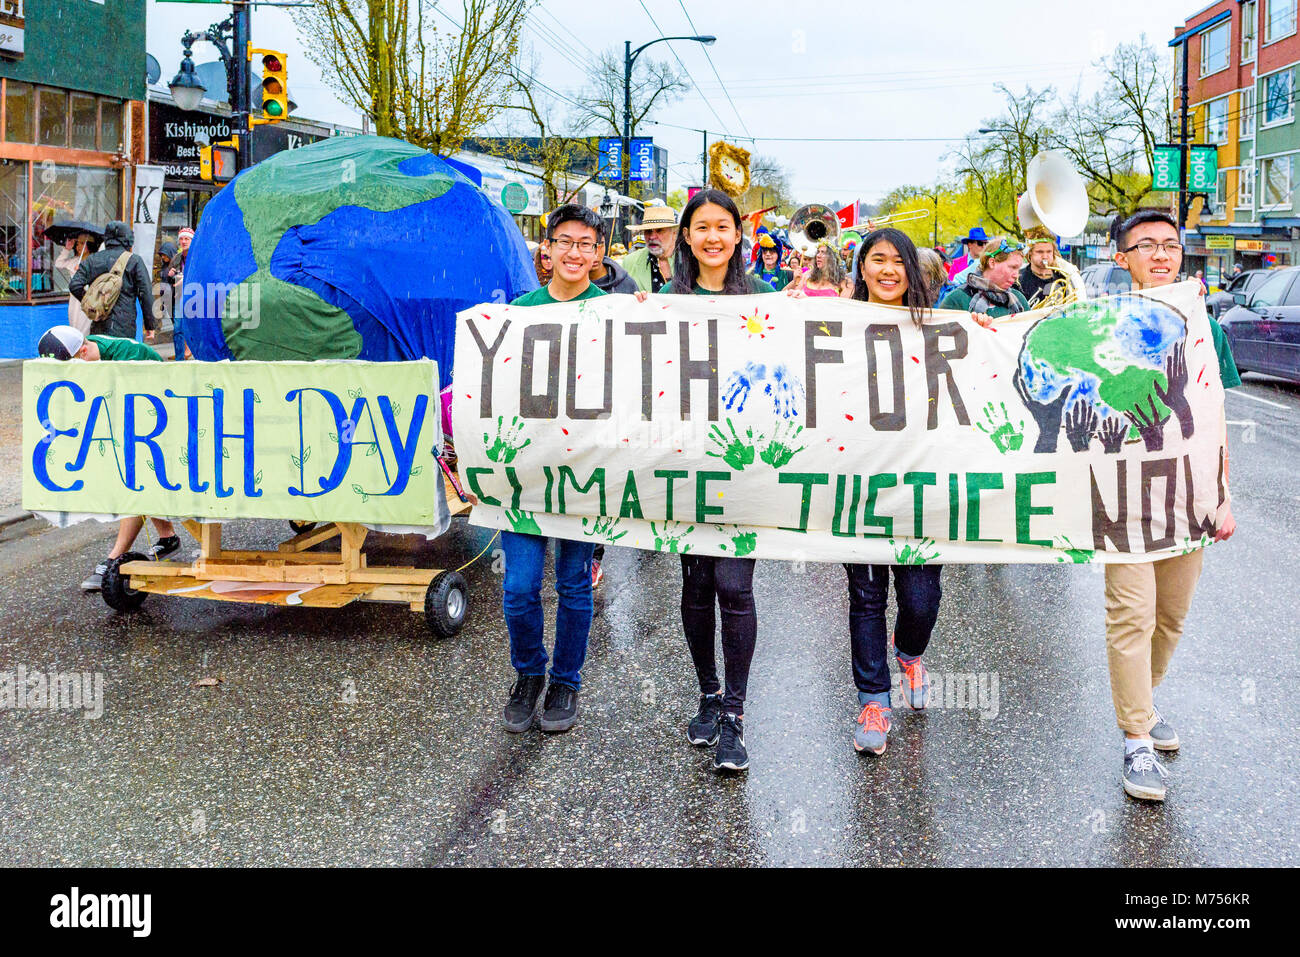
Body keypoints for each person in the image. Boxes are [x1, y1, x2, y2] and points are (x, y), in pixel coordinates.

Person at [1104, 209, 1238, 802]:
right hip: (1122, 499)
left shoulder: (1206, 326)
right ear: (1121, 257)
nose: (1162, 255)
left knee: (1171, 616)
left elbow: (1217, 422)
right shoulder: (1097, 322)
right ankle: (1135, 737)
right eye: (1147, 246)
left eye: (1171, 245)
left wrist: (1223, 497)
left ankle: (1146, 701)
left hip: (1188, 498)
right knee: (1132, 613)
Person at [645, 188, 772, 773]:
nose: (713, 237)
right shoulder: (665, 302)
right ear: (687, 238)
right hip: (684, 460)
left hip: (745, 462)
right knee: (696, 583)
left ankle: (735, 717)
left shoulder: (768, 301)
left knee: (734, 584)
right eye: (702, 227)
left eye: (723, 226)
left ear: (738, 235)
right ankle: (708, 693)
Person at [500, 204, 605, 735]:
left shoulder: (615, 314)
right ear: (547, 249)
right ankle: (528, 674)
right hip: (525, 470)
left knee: (572, 582)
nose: (574, 253)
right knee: (518, 585)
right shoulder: (518, 312)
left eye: (586, 244)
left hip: (585, 473)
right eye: (565, 241)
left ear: (599, 255)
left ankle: (565, 678)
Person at [842, 228, 941, 753]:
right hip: (858, 482)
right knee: (866, 595)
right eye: (875, 260)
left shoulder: (943, 329)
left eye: (896, 261)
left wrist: (991, 331)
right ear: (861, 269)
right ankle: (873, 700)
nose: (886, 269)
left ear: (911, 270)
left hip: (922, 486)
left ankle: (909, 651)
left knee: (921, 598)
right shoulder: (835, 325)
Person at [36, 326, 181, 592]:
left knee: (136, 482)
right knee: (135, 478)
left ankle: (114, 557)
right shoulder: (92, 351)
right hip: (132, 411)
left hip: (161, 408)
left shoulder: (128, 357)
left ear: (82, 351)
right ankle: (167, 536)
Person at [69, 221, 158, 343]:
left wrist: (92, 302)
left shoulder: (92, 259)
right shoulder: (134, 261)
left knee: (101, 357)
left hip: (98, 322)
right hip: (124, 325)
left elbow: (74, 285)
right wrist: (150, 325)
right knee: (122, 358)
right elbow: (146, 294)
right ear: (128, 238)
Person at [938, 237, 1030, 320]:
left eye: (1018, 268)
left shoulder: (1019, 299)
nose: (1016, 275)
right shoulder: (957, 300)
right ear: (992, 262)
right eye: (1012, 267)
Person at [622, 204, 677, 292]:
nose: (652, 237)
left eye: (659, 230)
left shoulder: (689, 260)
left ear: (674, 233)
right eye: (648, 231)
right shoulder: (630, 262)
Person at [1017, 236, 1059, 307]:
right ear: (1030, 253)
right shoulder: (1018, 279)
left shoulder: (1062, 278)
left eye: (1049, 252)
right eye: (1040, 252)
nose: (1045, 256)